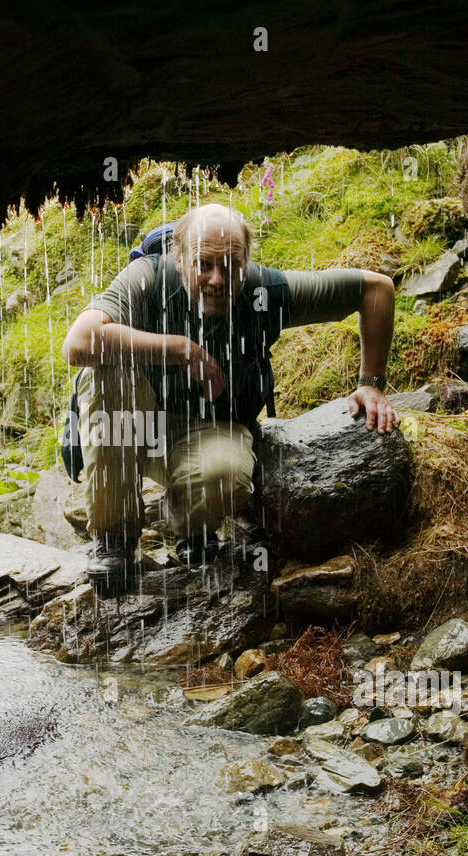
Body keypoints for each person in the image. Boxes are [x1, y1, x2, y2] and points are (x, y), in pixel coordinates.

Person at [60, 202, 398, 596]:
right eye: (204, 264)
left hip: (210, 429)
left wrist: (372, 382)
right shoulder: (147, 279)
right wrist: (180, 349)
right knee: (105, 368)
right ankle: (114, 541)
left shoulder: (265, 293)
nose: (217, 280)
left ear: (247, 262)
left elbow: (376, 289)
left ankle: (190, 528)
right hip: (137, 427)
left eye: (231, 266)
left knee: (227, 477)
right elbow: (78, 343)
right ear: (179, 258)